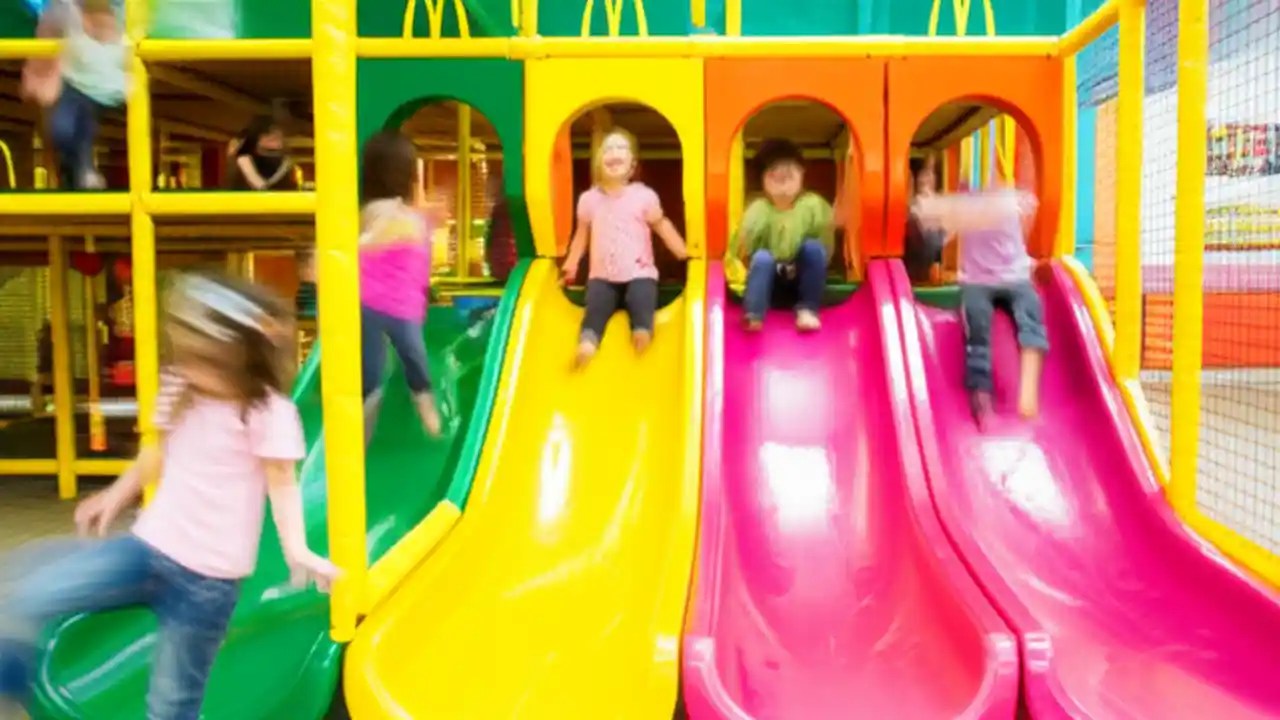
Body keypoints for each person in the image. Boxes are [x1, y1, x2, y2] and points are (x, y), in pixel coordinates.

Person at [0, 271, 338, 719]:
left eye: (206, 361)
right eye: (186, 355)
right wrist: (115, 495)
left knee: (171, 705)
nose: (191, 369)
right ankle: (11, 690)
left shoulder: (267, 412)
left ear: (241, 356)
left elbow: (283, 483)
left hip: (206, 585)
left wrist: (298, 549)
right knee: (30, 589)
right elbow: (155, 452)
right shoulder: (180, 388)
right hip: (147, 551)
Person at [916, 187, 1048, 427]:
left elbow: (1019, 211)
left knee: (1031, 315)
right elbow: (941, 231)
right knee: (977, 328)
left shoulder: (1003, 202)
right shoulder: (970, 206)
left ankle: (1028, 396)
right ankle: (981, 398)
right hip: (978, 281)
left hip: (1014, 277)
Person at [561, 127, 688, 368]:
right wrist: (571, 263)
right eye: (608, 148)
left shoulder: (643, 196)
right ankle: (588, 343)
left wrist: (682, 251)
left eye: (621, 148)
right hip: (602, 276)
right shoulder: (589, 200)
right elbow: (581, 235)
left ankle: (642, 330)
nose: (614, 152)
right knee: (596, 306)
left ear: (632, 165)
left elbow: (661, 225)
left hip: (639, 272)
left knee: (642, 297)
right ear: (598, 161)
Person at [358, 131, 441, 442]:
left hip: (377, 302)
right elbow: (390, 242)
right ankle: (426, 412)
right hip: (396, 304)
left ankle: (365, 429)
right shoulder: (390, 213)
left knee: (376, 369)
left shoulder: (384, 212)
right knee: (411, 358)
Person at [22, 0, 127, 190]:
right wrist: (36, 74)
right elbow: (45, 35)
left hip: (104, 89)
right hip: (75, 86)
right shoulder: (65, 9)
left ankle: (81, 170)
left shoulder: (126, 13)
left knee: (77, 128)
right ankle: (77, 171)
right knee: (62, 130)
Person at [732, 138, 834, 332]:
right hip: (769, 283)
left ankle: (807, 309)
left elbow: (825, 241)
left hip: (800, 279)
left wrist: (836, 220)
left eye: (790, 178)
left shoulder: (812, 204)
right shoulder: (759, 208)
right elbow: (744, 248)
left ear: (802, 176)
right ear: (763, 182)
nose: (784, 187)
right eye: (776, 179)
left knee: (813, 248)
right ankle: (754, 314)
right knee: (762, 258)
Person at [904, 155, 949, 284]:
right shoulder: (910, 215)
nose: (929, 179)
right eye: (926, 173)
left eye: (932, 174)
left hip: (923, 281)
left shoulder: (935, 214)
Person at [227, 115, 296, 191]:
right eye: (269, 135)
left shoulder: (284, 161)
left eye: (278, 136)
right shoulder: (245, 160)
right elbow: (261, 187)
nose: (276, 137)